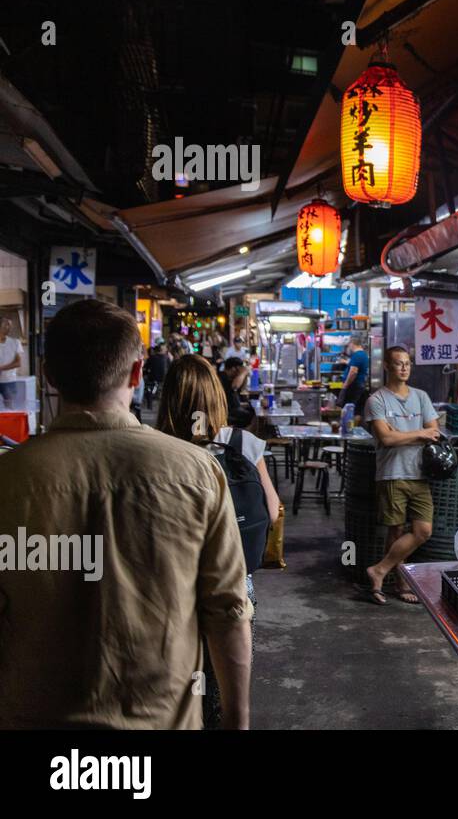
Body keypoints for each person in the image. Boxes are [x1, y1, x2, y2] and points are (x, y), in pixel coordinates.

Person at [0, 299, 250, 728]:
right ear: (136, 373)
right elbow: (227, 611)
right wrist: (237, 721)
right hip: (162, 717)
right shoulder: (197, 471)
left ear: (48, 375)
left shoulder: (10, 475)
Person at [156, 354, 281, 728]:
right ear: (217, 395)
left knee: (179, 684)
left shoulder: (159, 446)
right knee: (221, 684)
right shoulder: (243, 442)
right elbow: (271, 511)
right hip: (236, 581)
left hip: (174, 584)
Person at [363, 346, 442, 605]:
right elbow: (385, 438)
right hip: (392, 473)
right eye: (399, 363)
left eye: (408, 363)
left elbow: (434, 431)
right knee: (395, 531)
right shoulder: (377, 400)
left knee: (423, 530)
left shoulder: (421, 397)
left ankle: (380, 570)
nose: (404, 368)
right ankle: (400, 584)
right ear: (387, 366)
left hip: (419, 473)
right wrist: (417, 433)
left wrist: (403, 435)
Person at [220, 356, 254, 428]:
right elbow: (234, 386)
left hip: (234, 407)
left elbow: (243, 389)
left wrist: (245, 375)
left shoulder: (232, 378)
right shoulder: (222, 377)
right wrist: (243, 373)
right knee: (249, 415)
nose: (239, 373)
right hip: (227, 411)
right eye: (238, 370)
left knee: (252, 410)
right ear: (232, 368)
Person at [340, 336, 370, 411]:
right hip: (359, 385)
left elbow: (353, 372)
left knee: (349, 408)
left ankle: (348, 422)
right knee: (357, 410)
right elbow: (355, 366)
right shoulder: (363, 354)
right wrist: (347, 362)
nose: (349, 347)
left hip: (354, 386)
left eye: (349, 344)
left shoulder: (357, 355)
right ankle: (354, 422)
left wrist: (345, 385)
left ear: (352, 344)